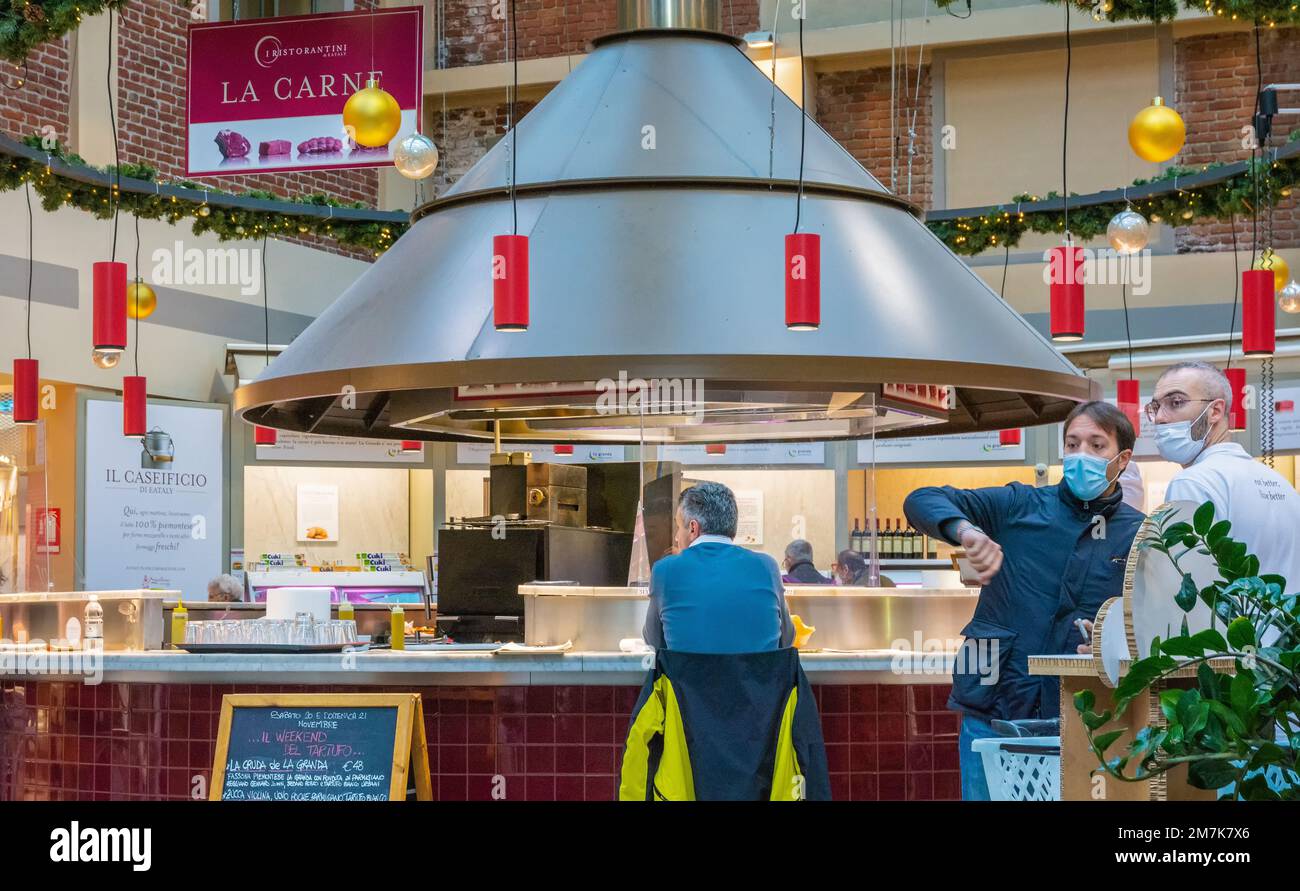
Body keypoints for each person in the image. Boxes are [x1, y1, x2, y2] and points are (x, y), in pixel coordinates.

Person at [903, 401, 1144, 800]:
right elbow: (921, 499)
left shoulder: (1138, 533)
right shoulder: (1020, 505)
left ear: (1122, 459)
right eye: (1073, 443)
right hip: (991, 703)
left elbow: (1148, 624)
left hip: (1081, 713)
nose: (1082, 454)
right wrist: (965, 531)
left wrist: (1111, 641)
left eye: (1097, 445)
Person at [1149, 361, 1300, 590]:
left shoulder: (1193, 482)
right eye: (1156, 406)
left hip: (1232, 625)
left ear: (1215, 411)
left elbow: (1192, 586)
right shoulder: (1280, 483)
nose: (1160, 417)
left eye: (1176, 402)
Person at [642, 481, 795, 653]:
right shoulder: (767, 566)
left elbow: (653, 643)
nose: (677, 537)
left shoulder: (665, 570)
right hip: (758, 680)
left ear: (693, 527)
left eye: (678, 527)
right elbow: (787, 639)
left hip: (690, 679)